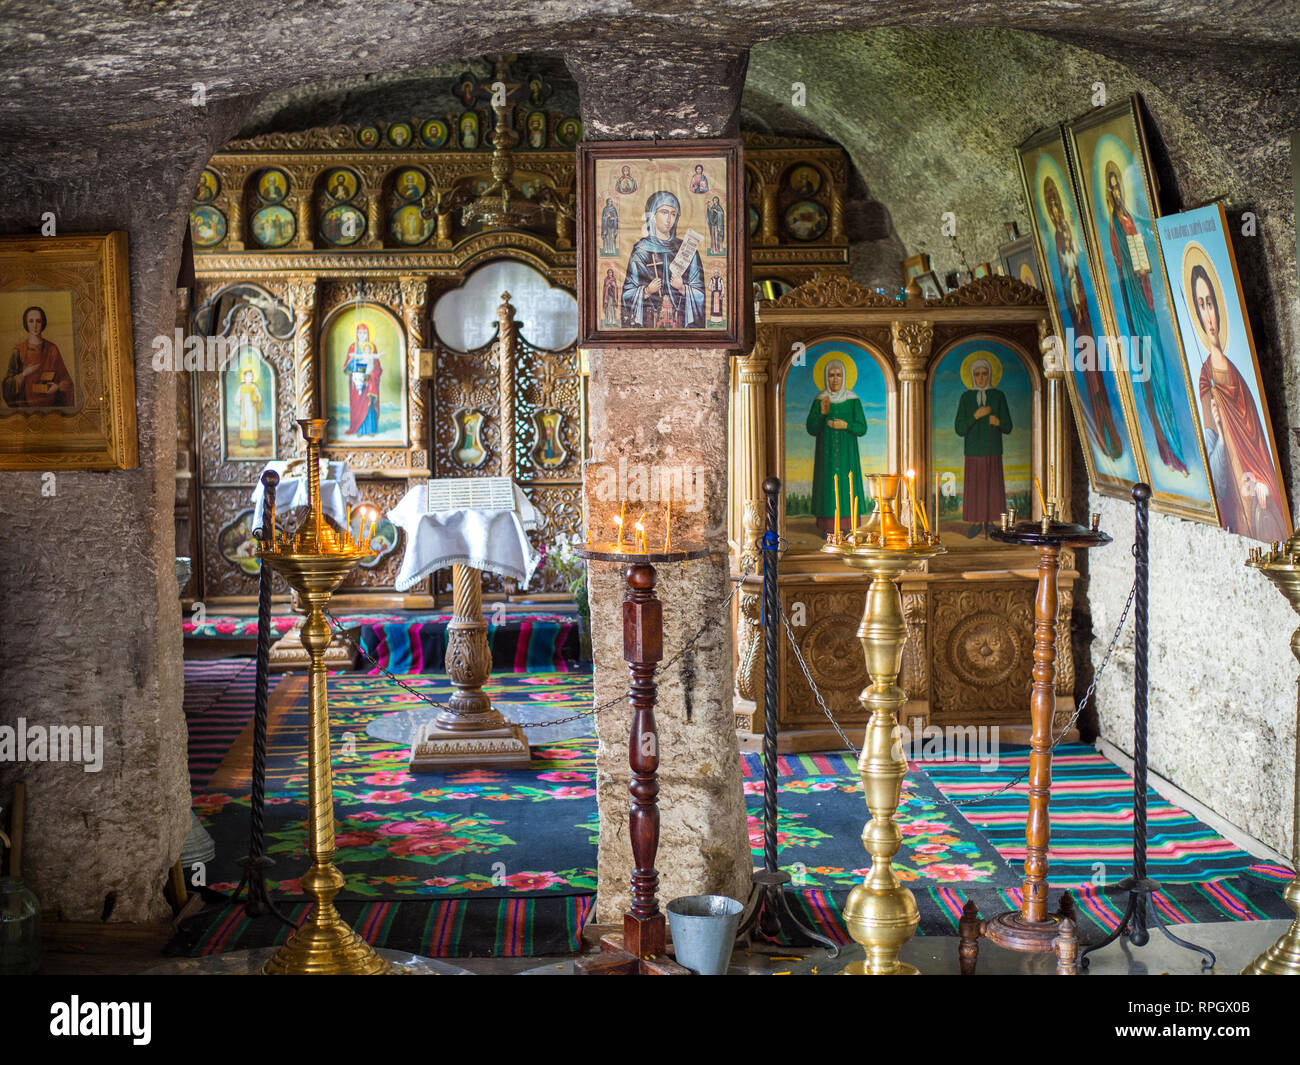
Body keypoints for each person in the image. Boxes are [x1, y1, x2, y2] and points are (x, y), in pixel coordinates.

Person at [1187, 261, 1288, 541]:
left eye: (1210, 304)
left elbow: (1258, 446)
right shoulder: (1206, 380)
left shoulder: (1240, 376)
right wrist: (1221, 436)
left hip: (1259, 497)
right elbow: (1216, 478)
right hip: (1235, 503)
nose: (1209, 315)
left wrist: (1264, 485)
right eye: (1201, 305)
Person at [1103, 161, 1187, 475]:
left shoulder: (1129, 219)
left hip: (1146, 295)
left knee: (1159, 370)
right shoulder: (1116, 221)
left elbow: (1140, 255)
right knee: (1151, 371)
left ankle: (1172, 448)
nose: (1115, 190)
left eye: (1117, 184)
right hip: (1136, 301)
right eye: (1111, 186)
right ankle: (1166, 449)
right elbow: (1121, 257)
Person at [1043, 176, 1122, 460]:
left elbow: (1082, 268)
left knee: (1105, 374)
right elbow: (1063, 280)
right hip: (1078, 322)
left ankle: (1111, 429)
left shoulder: (1072, 232)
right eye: (1050, 207)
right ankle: (1104, 433)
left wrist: (1077, 271)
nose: (1054, 211)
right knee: (1092, 378)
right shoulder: (1056, 240)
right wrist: (1070, 276)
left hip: (1090, 314)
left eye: (1056, 205)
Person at [619, 190, 704, 329]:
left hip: (681, 324)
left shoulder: (688, 250)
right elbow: (627, 294)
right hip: (649, 323)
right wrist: (646, 291)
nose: (669, 219)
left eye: (673, 214)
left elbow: (700, 294)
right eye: (664, 212)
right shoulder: (640, 252)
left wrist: (683, 288)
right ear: (652, 216)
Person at [806, 358, 866, 535]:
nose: (835, 379)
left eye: (838, 375)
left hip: (848, 455)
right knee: (828, 487)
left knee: (848, 486)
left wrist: (846, 425)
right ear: (826, 377)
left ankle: (848, 527)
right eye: (831, 375)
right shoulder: (820, 399)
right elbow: (811, 428)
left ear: (844, 377)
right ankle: (828, 528)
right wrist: (823, 414)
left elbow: (862, 427)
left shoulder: (853, 399)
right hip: (827, 456)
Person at [954, 358, 1012, 537]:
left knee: (992, 487)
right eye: (977, 374)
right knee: (975, 488)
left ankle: (993, 522)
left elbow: (1008, 426)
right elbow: (959, 428)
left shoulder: (998, 396)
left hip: (993, 451)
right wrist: (975, 416)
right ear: (972, 376)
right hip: (973, 452)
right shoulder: (966, 397)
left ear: (990, 375)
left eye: (984, 373)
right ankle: (977, 522)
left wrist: (998, 422)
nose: (981, 378)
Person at [3, 305, 74, 409]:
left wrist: (57, 387)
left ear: (43, 323)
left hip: (50, 407)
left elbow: (67, 381)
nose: (35, 325)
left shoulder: (52, 349)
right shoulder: (18, 350)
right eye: (31, 321)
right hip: (25, 408)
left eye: (38, 321)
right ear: (26, 323)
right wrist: (24, 373)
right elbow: (7, 386)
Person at [345, 322, 382, 437]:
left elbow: (377, 366)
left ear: (367, 334)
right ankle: (359, 429)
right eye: (360, 333)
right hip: (357, 380)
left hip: (369, 380)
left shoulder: (372, 347)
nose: (362, 335)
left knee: (369, 402)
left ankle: (370, 429)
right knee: (357, 403)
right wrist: (359, 367)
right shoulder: (353, 347)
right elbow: (348, 365)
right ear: (357, 334)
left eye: (364, 333)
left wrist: (370, 374)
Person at [236, 367, 262, 449]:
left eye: (252, 376)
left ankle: (253, 443)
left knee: (252, 425)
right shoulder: (242, 387)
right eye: (249, 376)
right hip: (244, 410)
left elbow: (259, 397)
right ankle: (245, 442)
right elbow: (237, 398)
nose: (250, 378)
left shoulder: (254, 387)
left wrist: (256, 399)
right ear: (245, 377)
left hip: (252, 410)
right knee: (245, 425)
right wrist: (240, 398)